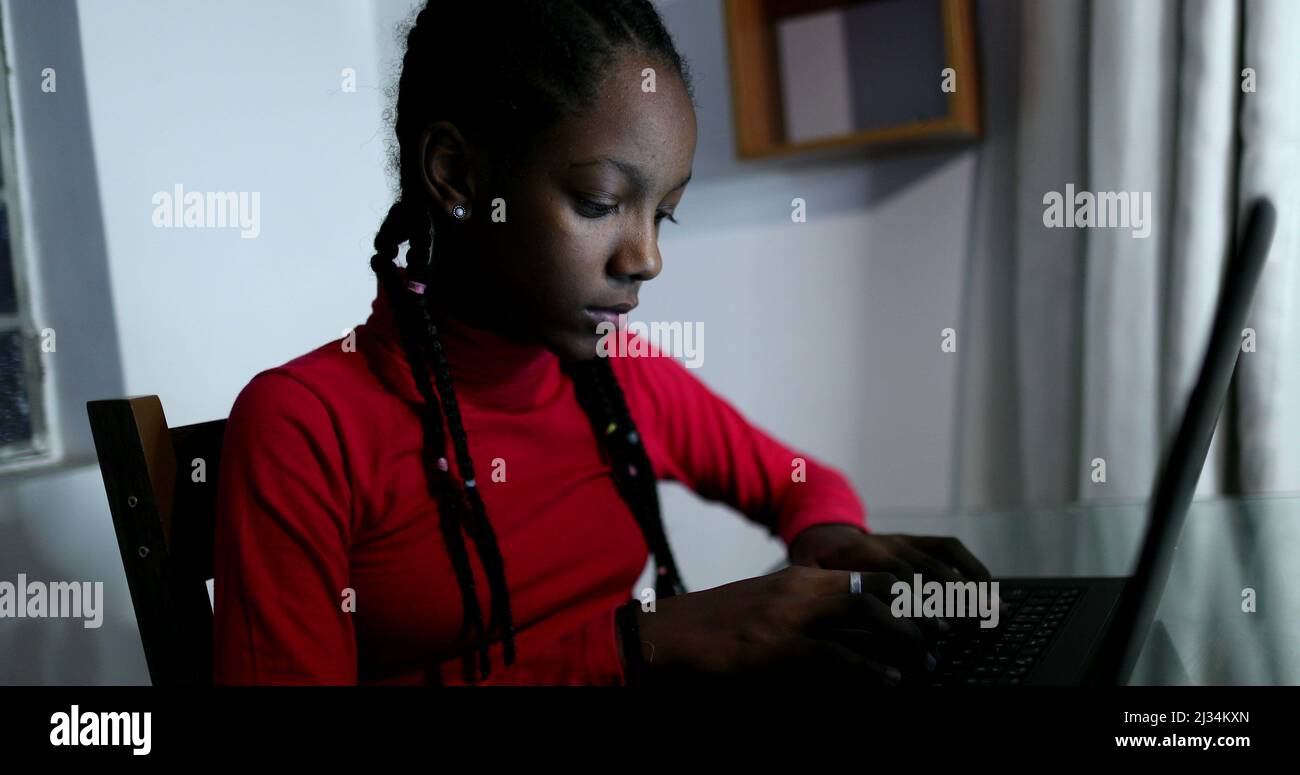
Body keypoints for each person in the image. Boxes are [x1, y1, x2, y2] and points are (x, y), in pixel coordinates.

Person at [212, 0, 991, 686]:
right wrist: (639, 647)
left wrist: (836, 540)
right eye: (600, 202)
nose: (646, 258)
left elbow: (800, 482)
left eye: (665, 215)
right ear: (455, 175)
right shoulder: (304, 424)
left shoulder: (617, 377)